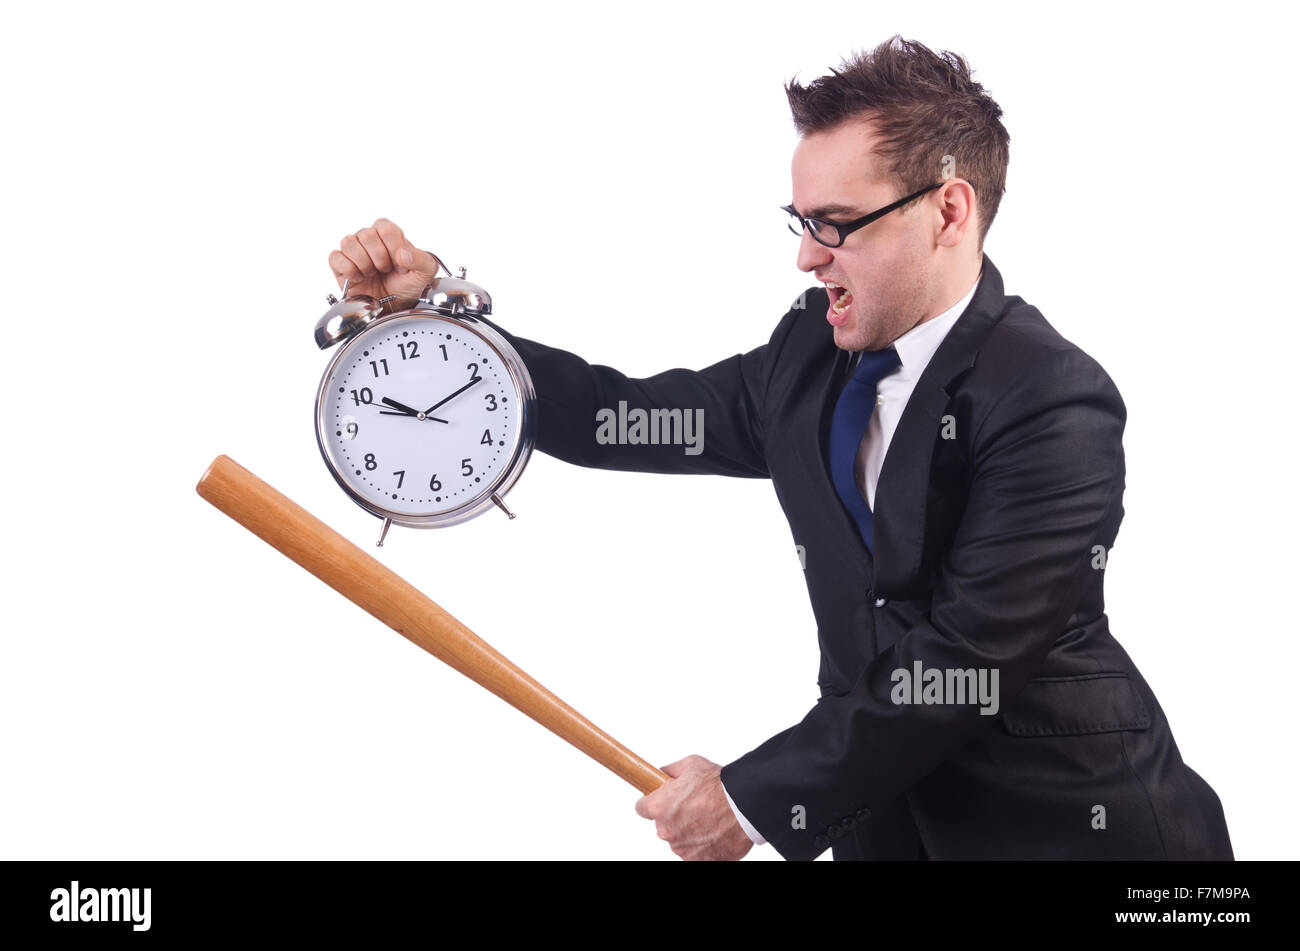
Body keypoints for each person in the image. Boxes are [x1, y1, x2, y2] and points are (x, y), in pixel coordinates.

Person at [326, 36, 1233, 862]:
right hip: (884, 836)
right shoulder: (810, 357)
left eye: (835, 224)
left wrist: (753, 800)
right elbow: (621, 415)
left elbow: (961, 665)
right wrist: (438, 321)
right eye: (799, 221)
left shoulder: (1052, 399)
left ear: (949, 212)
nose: (806, 257)